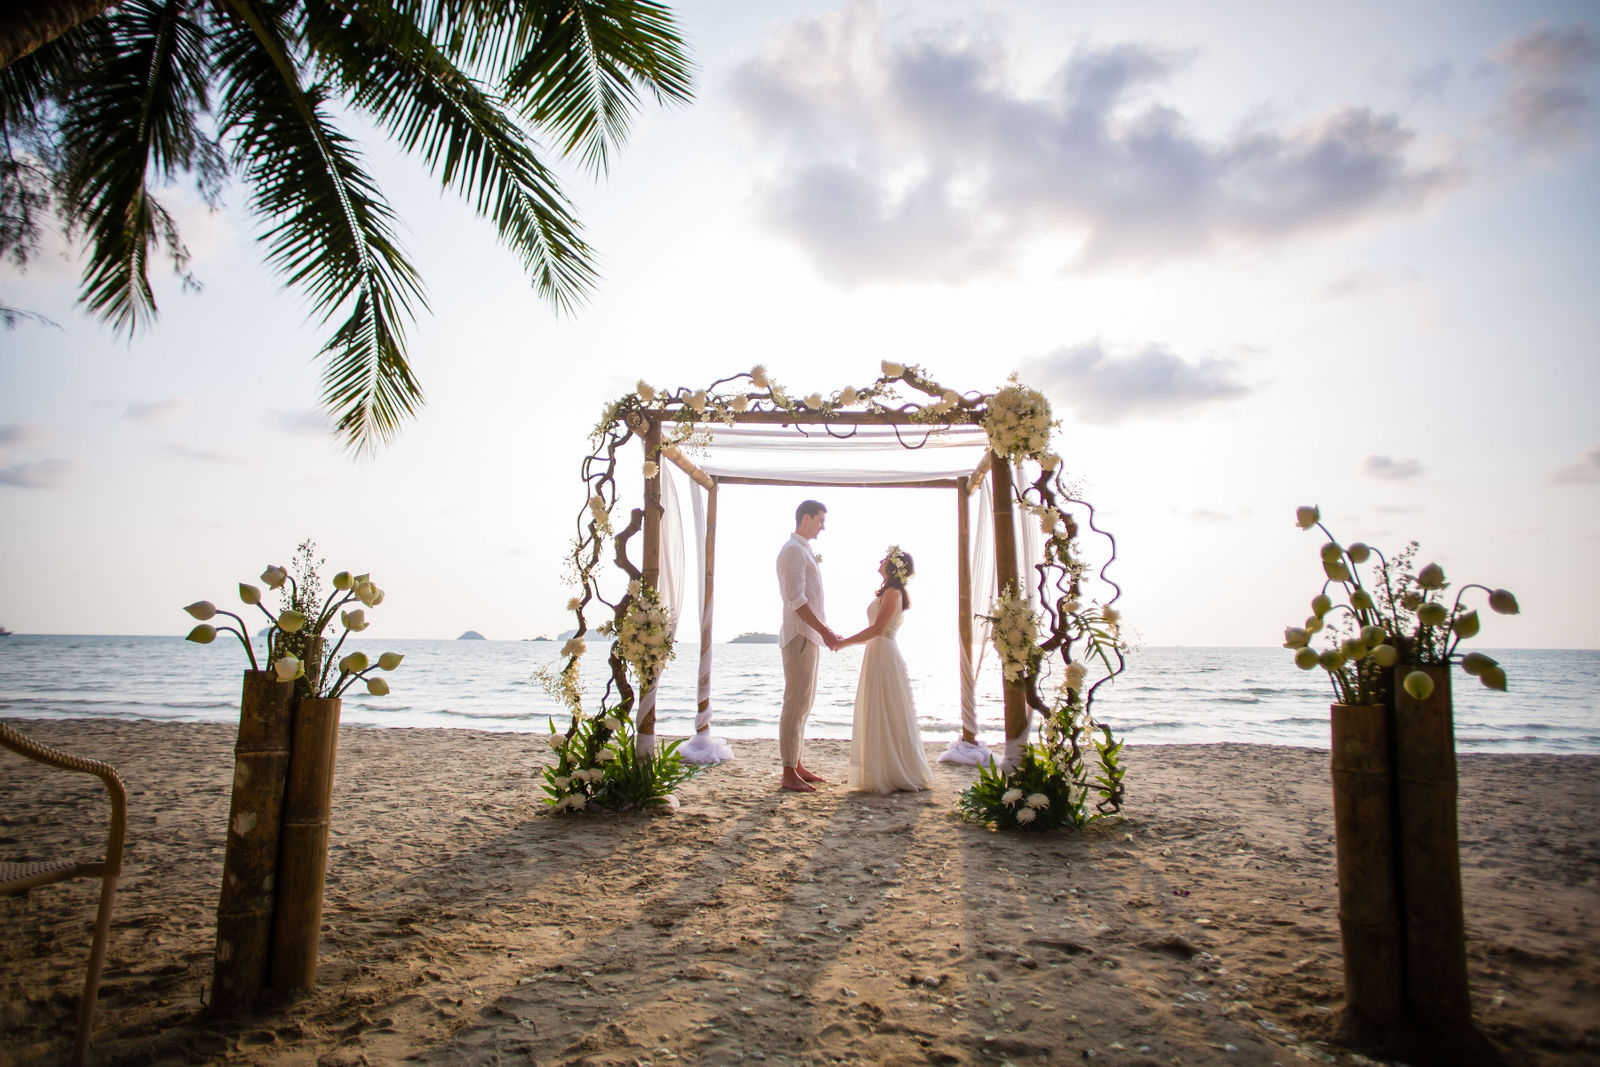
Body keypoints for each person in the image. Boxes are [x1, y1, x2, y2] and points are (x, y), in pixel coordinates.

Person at [837, 545, 933, 794]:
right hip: (876, 653)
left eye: (884, 559)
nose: (878, 562)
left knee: (886, 708)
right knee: (877, 708)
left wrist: (843, 642)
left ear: (892, 566)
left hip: (884, 652)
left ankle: (893, 770)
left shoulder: (892, 593)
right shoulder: (888, 591)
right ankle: (879, 767)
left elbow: (878, 628)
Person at [775, 499, 841, 792]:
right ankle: (788, 772)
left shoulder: (803, 550)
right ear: (805, 518)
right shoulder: (792, 551)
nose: (823, 526)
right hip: (800, 635)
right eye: (820, 520)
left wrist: (823, 632)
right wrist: (825, 631)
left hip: (809, 636)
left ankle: (797, 763)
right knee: (795, 703)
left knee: (804, 703)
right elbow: (796, 599)